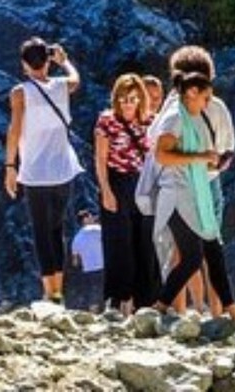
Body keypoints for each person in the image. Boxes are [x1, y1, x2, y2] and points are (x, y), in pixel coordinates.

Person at [151, 70, 235, 321]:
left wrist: (208, 163)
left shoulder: (194, 118)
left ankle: (232, 308)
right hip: (177, 196)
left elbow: (195, 156)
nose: (208, 102)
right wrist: (199, 158)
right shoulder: (174, 119)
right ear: (192, 93)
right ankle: (160, 306)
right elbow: (161, 155)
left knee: (213, 249)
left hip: (195, 191)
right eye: (206, 96)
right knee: (192, 258)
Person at [3, 37, 82, 304]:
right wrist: (64, 61)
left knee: (41, 232)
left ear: (25, 64)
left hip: (35, 172)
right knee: (57, 231)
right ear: (47, 61)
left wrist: (10, 166)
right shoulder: (62, 86)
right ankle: (58, 290)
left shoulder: (20, 92)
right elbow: (75, 79)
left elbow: (14, 131)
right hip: (63, 170)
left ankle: (50, 292)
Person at [94, 73, 156, 313]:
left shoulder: (150, 121)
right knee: (118, 242)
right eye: (122, 99)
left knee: (145, 242)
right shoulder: (106, 121)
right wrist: (106, 190)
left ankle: (146, 301)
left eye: (132, 98)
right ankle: (118, 298)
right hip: (117, 181)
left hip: (144, 183)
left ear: (140, 98)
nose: (127, 104)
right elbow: (100, 159)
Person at [68, 209, 106, 311]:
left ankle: (93, 319)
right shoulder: (100, 229)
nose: (92, 218)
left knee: (93, 296)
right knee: (106, 295)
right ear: (85, 219)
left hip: (88, 270)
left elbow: (75, 262)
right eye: (90, 216)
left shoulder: (76, 238)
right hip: (103, 267)